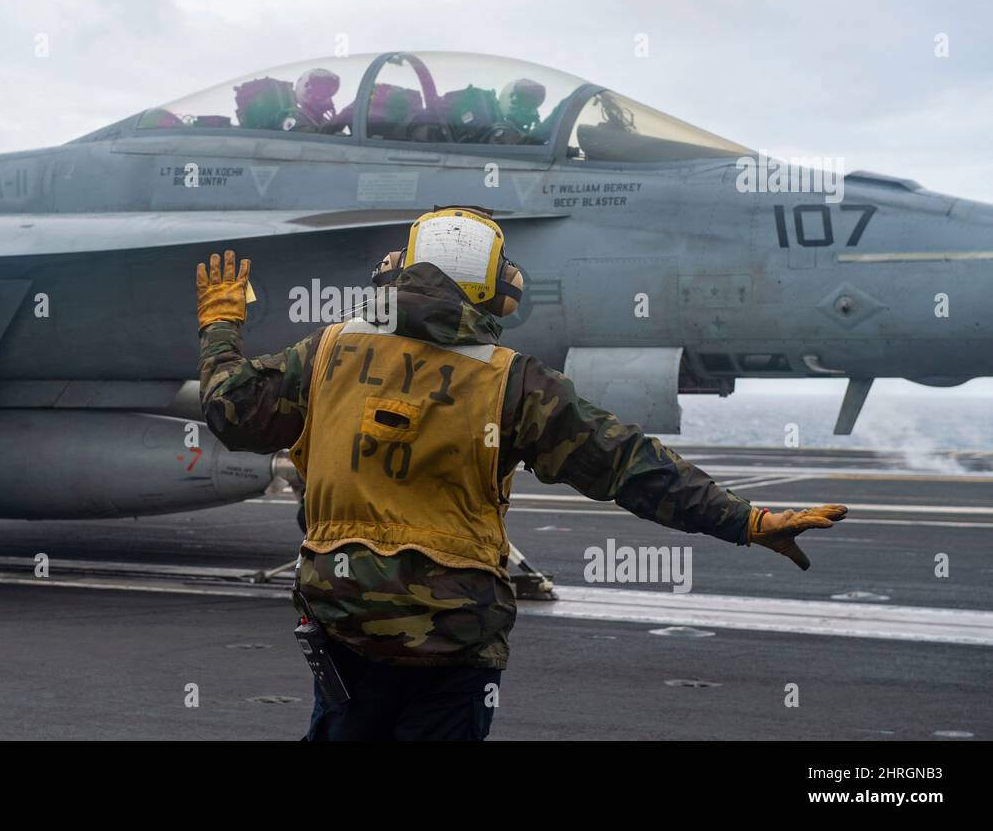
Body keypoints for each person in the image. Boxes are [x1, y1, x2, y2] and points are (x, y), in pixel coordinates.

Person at [195, 206, 847, 741]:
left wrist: (222, 323)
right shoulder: (515, 383)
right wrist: (745, 519)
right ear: (492, 286)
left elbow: (230, 409)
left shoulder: (328, 351)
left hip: (343, 628)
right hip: (452, 648)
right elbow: (630, 466)